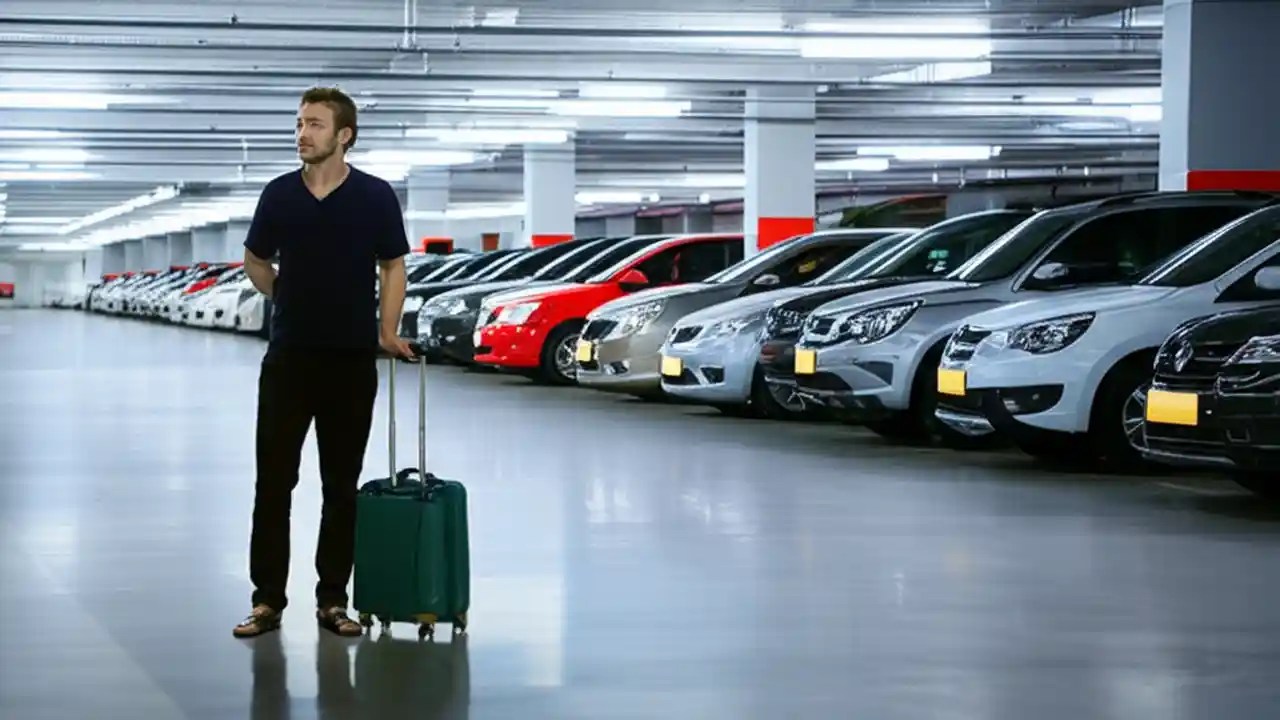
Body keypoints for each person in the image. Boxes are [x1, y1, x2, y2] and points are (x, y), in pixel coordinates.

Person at [233, 86, 415, 638]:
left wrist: (386, 329)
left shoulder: (375, 197)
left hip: (350, 362)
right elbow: (255, 260)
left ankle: (332, 599)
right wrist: (286, 294)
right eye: (299, 123)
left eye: (313, 124)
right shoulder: (279, 195)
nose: (302, 133)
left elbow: (393, 266)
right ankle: (267, 600)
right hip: (289, 360)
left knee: (341, 485)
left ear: (344, 135)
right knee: (274, 483)